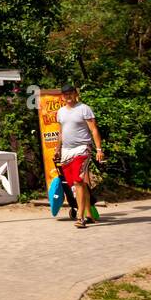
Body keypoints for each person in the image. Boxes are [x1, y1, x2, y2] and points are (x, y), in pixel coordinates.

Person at [55, 85, 105, 229]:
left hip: (83, 149)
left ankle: (80, 217)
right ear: (62, 97)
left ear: (76, 94)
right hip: (66, 151)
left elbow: (94, 129)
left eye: (71, 93)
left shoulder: (84, 108)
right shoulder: (61, 112)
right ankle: (89, 215)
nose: (68, 96)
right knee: (77, 184)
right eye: (65, 94)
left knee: (78, 181)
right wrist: (58, 149)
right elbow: (61, 132)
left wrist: (99, 149)